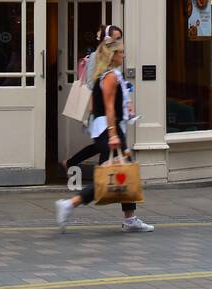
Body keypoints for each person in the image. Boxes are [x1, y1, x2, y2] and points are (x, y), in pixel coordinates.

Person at [55, 38, 153, 232]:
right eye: (121, 52)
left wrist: (126, 108)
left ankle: (130, 218)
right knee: (113, 175)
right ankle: (69, 204)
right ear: (112, 55)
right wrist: (113, 134)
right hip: (110, 131)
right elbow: (108, 107)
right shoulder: (110, 77)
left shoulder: (107, 75)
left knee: (121, 173)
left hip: (107, 129)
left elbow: (102, 105)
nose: (124, 55)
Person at [63, 25, 124, 172]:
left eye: (120, 38)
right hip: (100, 110)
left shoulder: (116, 57)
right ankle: (101, 185)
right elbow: (91, 83)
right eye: (116, 38)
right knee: (107, 147)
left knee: (104, 146)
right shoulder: (96, 57)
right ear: (106, 39)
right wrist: (106, 84)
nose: (118, 41)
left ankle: (71, 163)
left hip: (110, 110)